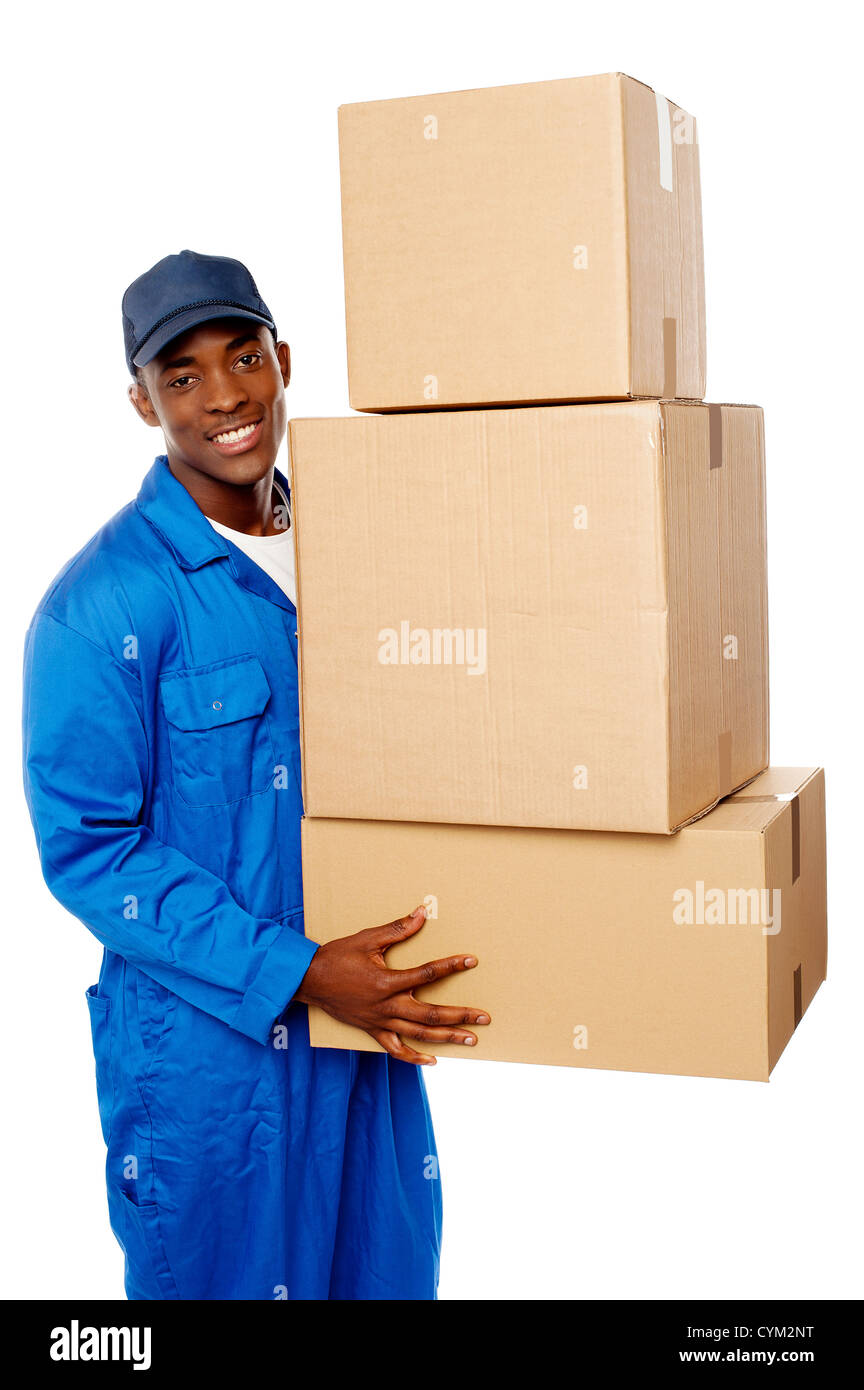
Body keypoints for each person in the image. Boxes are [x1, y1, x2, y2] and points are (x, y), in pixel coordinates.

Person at [21, 249, 490, 1301]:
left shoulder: (360, 549)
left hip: (366, 1032)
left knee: (383, 1273)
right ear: (140, 402)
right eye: (180, 376)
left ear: (284, 360)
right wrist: (297, 969)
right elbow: (91, 852)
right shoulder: (100, 608)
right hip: (209, 1066)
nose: (225, 397)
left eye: (243, 357)